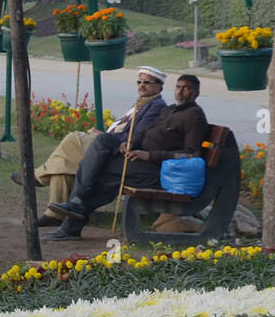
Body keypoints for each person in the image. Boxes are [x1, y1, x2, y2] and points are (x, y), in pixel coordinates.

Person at [43, 74, 208, 241]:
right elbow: (144, 131)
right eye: (178, 87)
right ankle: (74, 213)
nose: (181, 92)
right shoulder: (170, 109)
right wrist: (131, 144)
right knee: (102, 147)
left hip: (158, 171)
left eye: (186, 88)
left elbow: (191, 153)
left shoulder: (194, 116)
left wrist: (149, 155)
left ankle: (73, 218)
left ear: (196, 93)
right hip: (138, 159)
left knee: (103, 171)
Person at [12, 66, 168, 227]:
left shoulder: (156, 106)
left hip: (115, 149)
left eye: (147, 83)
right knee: (62, 170)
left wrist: (104, 137)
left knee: (74, 138)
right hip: (108, 142)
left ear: (159, 86)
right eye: (139, 82)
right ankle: (54, 216)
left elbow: (135, 135)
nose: (142, 85)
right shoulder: (141, 103)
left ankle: (36, 177)